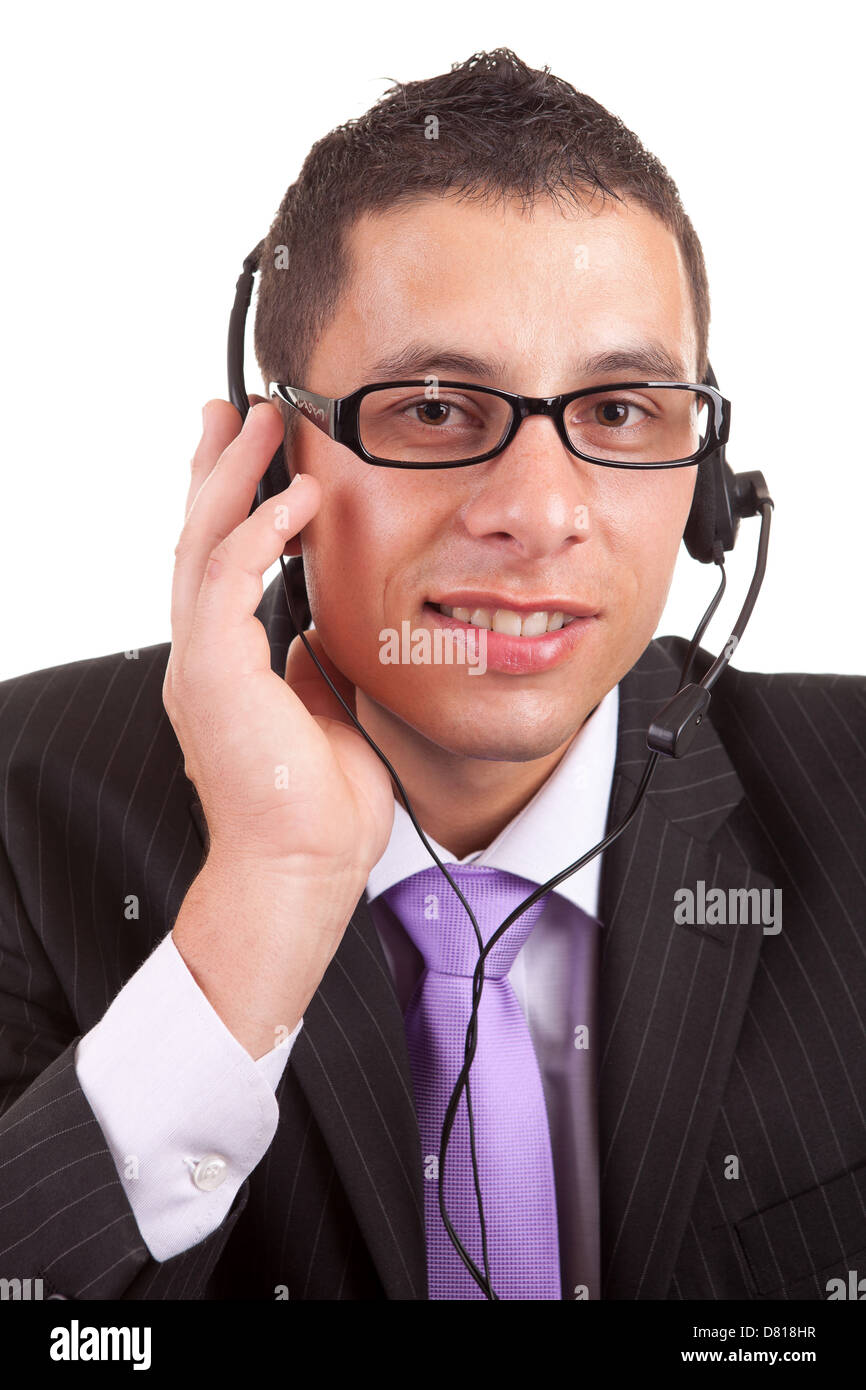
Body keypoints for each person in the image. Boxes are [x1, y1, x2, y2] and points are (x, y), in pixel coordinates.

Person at [0, 48, 864, 1303]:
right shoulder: (22, 811)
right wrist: (264, 901)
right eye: (434, 406)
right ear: (268, 457)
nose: (537, 511)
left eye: (618, 411)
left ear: (705, 488)